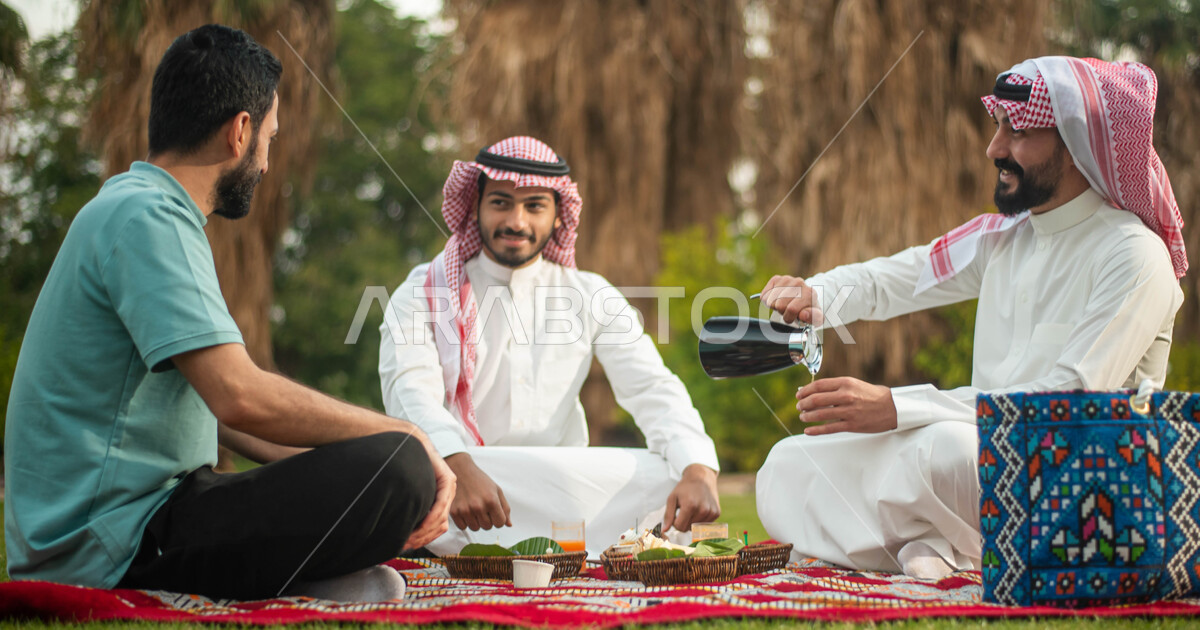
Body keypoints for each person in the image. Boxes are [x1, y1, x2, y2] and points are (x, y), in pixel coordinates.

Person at [3, 25, 454, 602]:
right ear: (241, 131)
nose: (266, 163)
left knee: (390, 466)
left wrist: (345, 462)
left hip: (143, 521)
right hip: (113, 543)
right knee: (400, 466)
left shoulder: (135, 207)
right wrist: (405, 434)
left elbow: (228, 419)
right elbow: (240, 397)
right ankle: (293, 578)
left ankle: (302, 578)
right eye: (270, 138)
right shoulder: (149, 218)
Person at [755, 56, 1185, 579]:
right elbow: (895, 278)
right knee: (787, 464)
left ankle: (940, 546)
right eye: (998, 126)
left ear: (1077, 144)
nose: (995, 148)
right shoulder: (1002, 238)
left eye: (1018, 131)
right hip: (985, 462)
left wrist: (898, 406)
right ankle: (942, 546)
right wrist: (814, 294)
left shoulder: (1134, 255)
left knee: (946, 448)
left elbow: (1067, 400)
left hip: (1085, 486)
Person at [379, 136, 720, 554]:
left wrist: (698, 469)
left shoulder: (590, 294)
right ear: (474, 205)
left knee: (668, 469)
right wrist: (458, 468)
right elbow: (409, 392)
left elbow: (651, 387)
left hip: (562, 482)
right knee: (413, 469)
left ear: (559, 215)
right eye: (501, 203)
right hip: (461, 477)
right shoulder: (422, 292)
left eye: (535, 206)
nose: (516, 221)